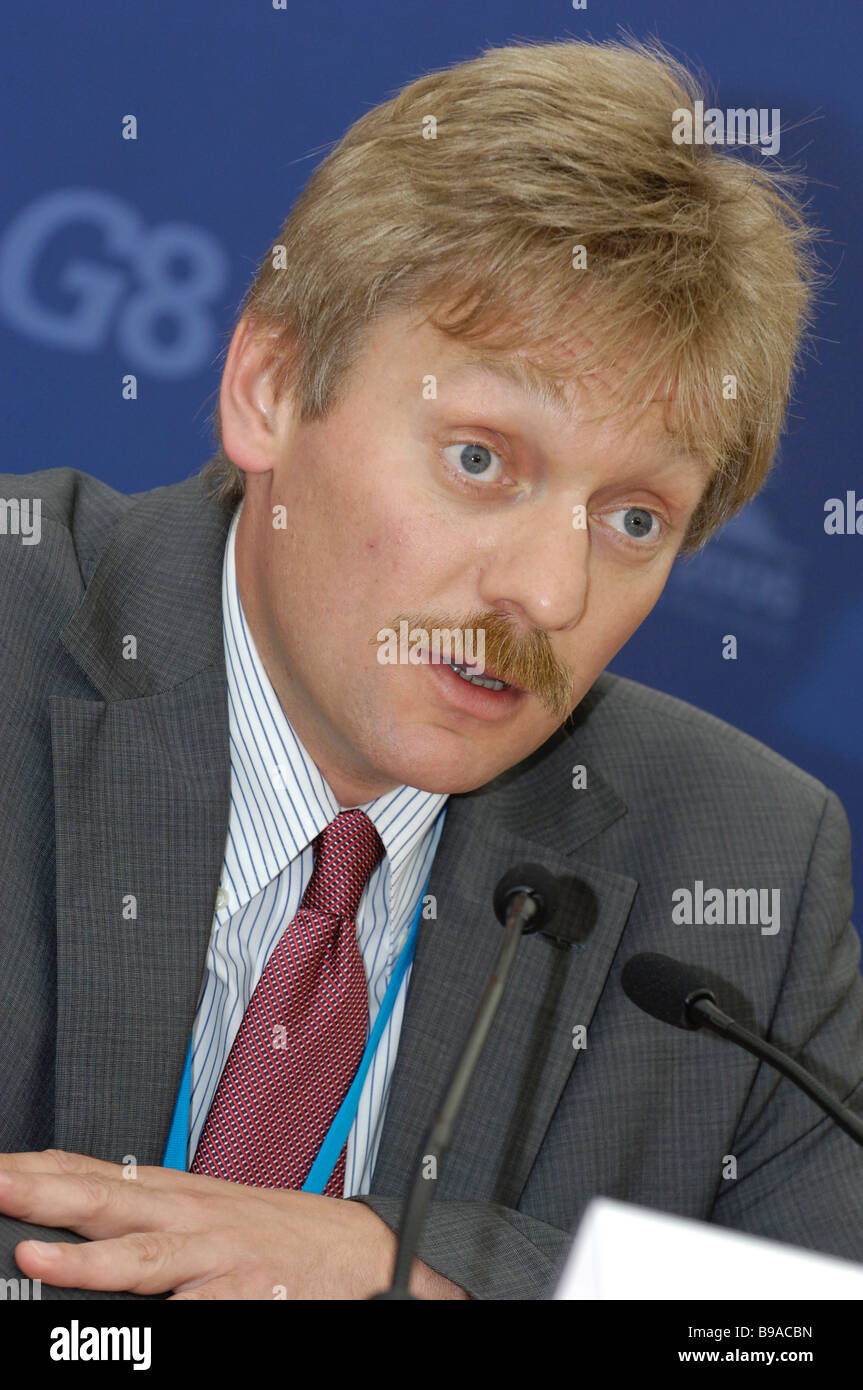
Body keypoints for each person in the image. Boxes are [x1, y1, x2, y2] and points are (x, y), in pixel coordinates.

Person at [1, 35, 860, 1303]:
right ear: (270, 388)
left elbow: (794, 1319)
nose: (548, 593)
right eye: (479, 460)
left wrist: (424, 1278)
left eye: (632, 520)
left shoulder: (741, 866)